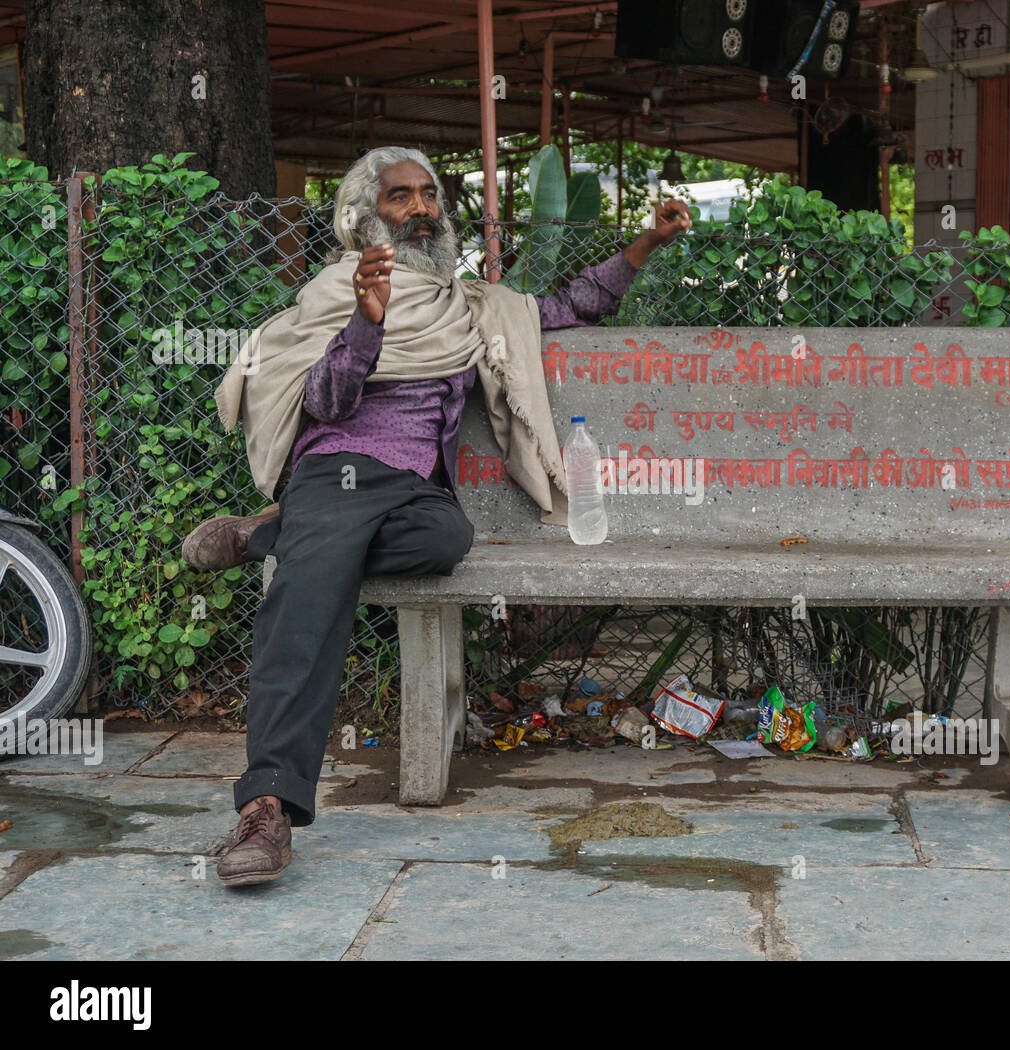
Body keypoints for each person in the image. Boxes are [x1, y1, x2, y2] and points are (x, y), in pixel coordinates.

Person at [182, 146, 689, 887]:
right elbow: (324, 402)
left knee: (449, 537)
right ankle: (266, 807)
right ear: (366, 216)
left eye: (428, 195)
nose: (421, 208)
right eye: (401, 197)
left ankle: (270, 531)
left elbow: (576, 305)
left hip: (417, 494)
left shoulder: (470, 306)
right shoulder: (336, 292)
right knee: (308, 606)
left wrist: (647, 243)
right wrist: (366, 324)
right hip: (339, 473)